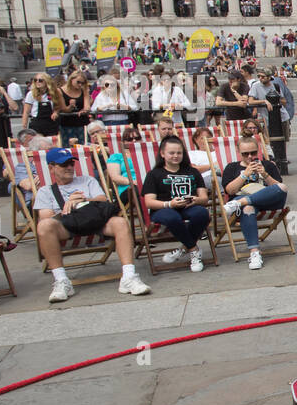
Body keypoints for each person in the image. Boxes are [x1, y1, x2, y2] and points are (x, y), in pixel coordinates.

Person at [34, 147, 152, 302]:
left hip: (95, 222)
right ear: (51, 167)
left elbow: (103, 200)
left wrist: (83, 201)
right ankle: (61, 281)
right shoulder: (46, 191)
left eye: (71, 163)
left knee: (121, 222)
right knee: (43, 226)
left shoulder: (87, 180)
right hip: (67, 226)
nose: (69, 167)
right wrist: (67, 205)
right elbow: (46, 217)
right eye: (64, 165)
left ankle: (129, 277)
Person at [142, 135, 211, 271]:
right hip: (163, 208)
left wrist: (195, 200)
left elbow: (204, 198)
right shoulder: (154, 174)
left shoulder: (192, 172)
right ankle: (193, 249)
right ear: (162, 154)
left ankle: (183, 248)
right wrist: (170, 204)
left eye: (179, 153)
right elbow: (149, 202)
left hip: (188, 206)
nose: (176, 156)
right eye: (171, 153)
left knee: (203, 213)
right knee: (173, 217)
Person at [220, 137, 288, 270]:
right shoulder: (231, 167)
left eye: (253, 153)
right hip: (246, 204)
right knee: (248, 208)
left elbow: (279, 188)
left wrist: (264, 174)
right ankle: (255, 252)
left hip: (267, 202)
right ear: (238, 151)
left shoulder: (268, 165)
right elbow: (230, 190)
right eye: (245, 154)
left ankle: (240, 202)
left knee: (283, 188)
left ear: (259, 150)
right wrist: (244, 175)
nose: (250, 157)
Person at [57, 70, 91, 147]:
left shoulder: (84, 89)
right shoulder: (60, 90)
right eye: (78, 82)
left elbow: (87, 105)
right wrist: (71, 106)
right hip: (66, 124)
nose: (80, 85)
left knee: (85, 146)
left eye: (82, 83)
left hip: (82, 123)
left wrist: (84, 110)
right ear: (71, 79)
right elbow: (64, 109)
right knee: (68, 148)